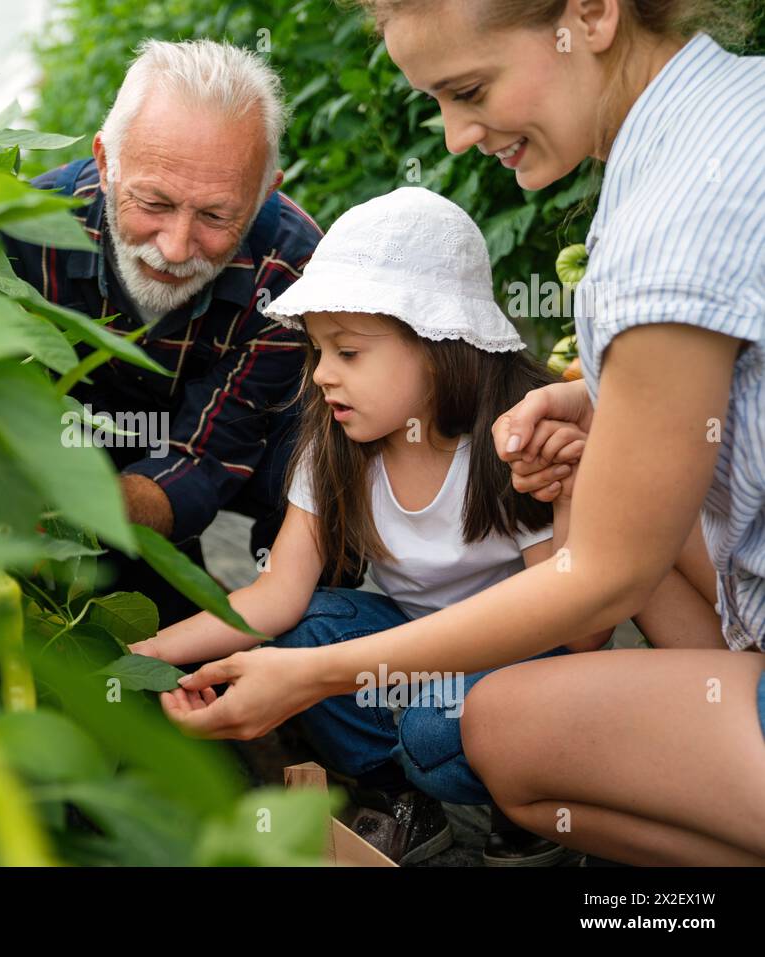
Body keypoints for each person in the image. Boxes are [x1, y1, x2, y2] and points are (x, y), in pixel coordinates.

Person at [161, 0, 765, 865]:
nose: (451, 137)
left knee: (495, 731)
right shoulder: (733, 118)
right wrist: (607, 401)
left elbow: (597, 584)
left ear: (591, 12)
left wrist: (313, 675)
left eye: (469, 88)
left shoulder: (668, 223)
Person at [0, 39, 361, 625]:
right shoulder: (24, 234)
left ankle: (316, 634)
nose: (174, 247)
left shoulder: (289, 268)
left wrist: (84, 512)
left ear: (265, 191)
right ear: (104, 162)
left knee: (326, 451)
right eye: (154, 202)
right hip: (82, 432)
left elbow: (206, 454)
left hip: (231, 435)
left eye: (217, 216)